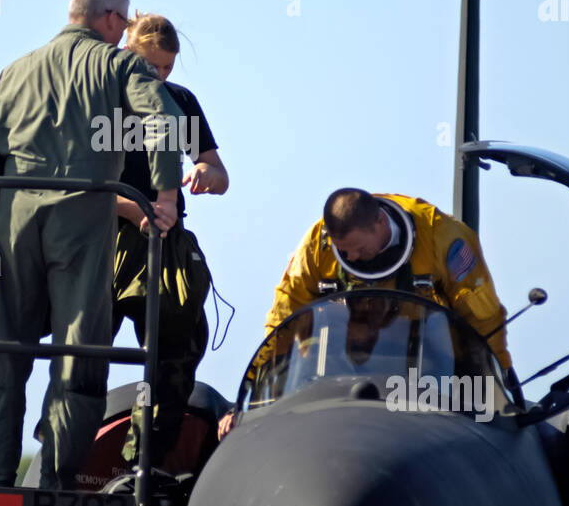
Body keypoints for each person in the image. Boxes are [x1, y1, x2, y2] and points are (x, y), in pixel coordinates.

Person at [0, 0, 185, 490]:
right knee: (79, 355)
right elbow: (167, 121)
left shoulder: (13, 71)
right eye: (124, 22)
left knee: (3, 355)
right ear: (110, 19)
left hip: (12, 222)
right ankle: (56, 483)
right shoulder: (119, 64)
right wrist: (166, 198)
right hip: (83, 217)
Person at [218, 188, 513, 440]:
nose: (351, 258)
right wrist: (250, 398)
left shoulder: (442, 238)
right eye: (342, 251)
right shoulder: (316, 246)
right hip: (336, 380)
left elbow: (483, 319)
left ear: (380, 223)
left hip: (429, 379)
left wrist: (499, 391)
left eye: (358, 249)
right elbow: (282, 319)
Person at [112, 13, 228, 467]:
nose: (159, 77)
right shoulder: (103, 101)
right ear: (127, 52)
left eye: (167, 68)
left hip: (165, 244)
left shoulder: (181, 102)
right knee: (83, 351)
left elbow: (221, 175)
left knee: (177, 355)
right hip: (105, 241)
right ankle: (68, 458)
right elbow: (78, 184)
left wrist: (205, 172)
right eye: (151, 66)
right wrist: (134, 210)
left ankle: (146, 462)